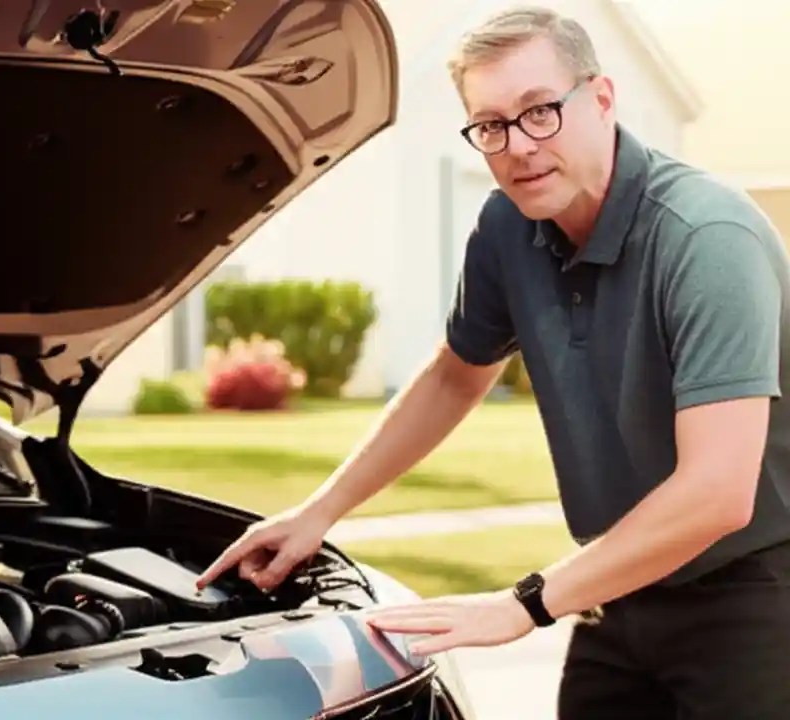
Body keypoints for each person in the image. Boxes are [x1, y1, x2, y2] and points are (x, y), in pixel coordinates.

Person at [195, 5, 790, 718]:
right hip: (618, 588)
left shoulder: (705, 237)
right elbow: (456, 373)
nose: (518, 146)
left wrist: (523, 606)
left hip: (756, 595)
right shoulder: (510, 225)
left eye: (540, 111)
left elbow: (717, 493)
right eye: (491, 125)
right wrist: (321, 511)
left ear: (601, 99)